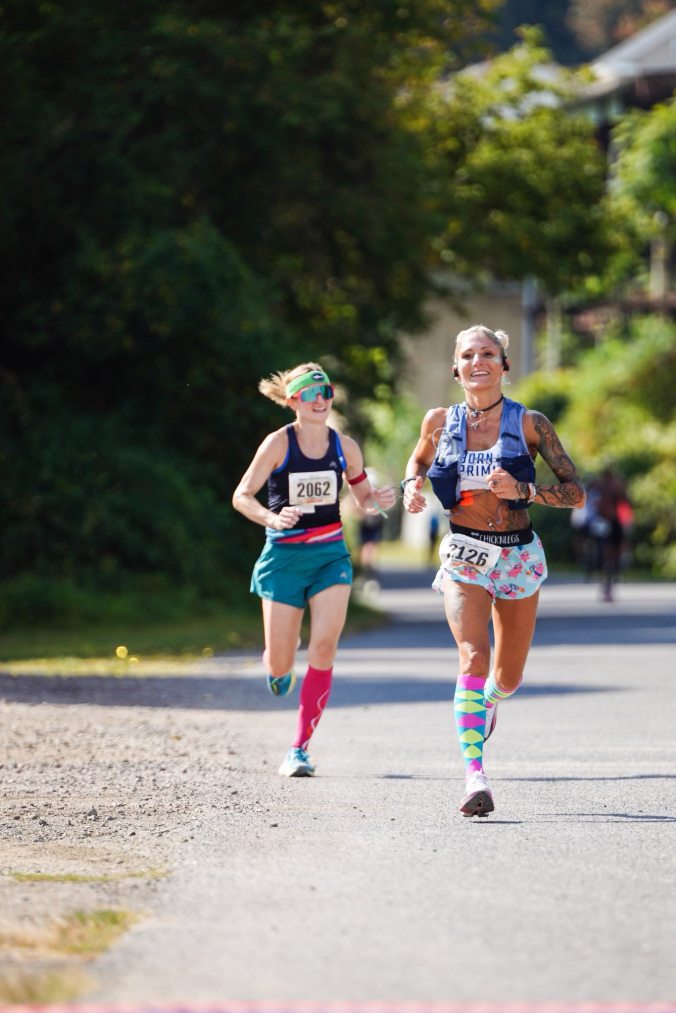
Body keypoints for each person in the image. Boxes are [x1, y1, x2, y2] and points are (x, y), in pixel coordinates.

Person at [402, 324, 585, 817]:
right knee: (471, 656)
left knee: (507, 676)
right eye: (468, 354)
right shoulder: (439, 421)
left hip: (519, 553)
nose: (478, 361)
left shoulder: (531, 424)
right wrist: (410, 487)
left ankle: (493, 700)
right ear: (455, 368)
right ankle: (474, 776)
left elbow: (575, 492)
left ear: (504, 365)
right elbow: (417, 463)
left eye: (489, 353)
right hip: (465, 551)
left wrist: (525, 492)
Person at [232, 363, 395, 778]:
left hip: (330, 558)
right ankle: (275, 664)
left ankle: (299, 748)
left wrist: (377, 497)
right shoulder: (277, 444)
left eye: (326, 392)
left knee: (323, 648)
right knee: (283, 664)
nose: (320, 400)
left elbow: (362, 498)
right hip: (284, 560)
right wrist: (271, 519)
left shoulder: (346, 447)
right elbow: (242, 496)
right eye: (310, 394)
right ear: (293, 402)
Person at [585, 466, 632, 602]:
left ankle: (608, 583)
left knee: (611, 555)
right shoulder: (606, 486)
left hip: (612, 522)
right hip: (605, 522)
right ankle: (606, 582)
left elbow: (625, 502)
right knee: (605, 553)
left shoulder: (609, 486)